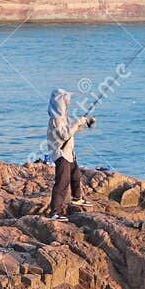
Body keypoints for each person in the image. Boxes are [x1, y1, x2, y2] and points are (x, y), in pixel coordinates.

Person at [45, 88, 96, 219]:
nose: (68, 103)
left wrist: (84, 124)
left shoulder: (63, 118)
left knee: (75, 175)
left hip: (68, 152)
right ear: (59, 103)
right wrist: (78, 121)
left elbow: (71, 132)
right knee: (62, 182)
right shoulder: (56, 120)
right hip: (61, 153)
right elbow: (64, 134)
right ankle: (55, 212)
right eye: (65, 101)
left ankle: (77, 198)